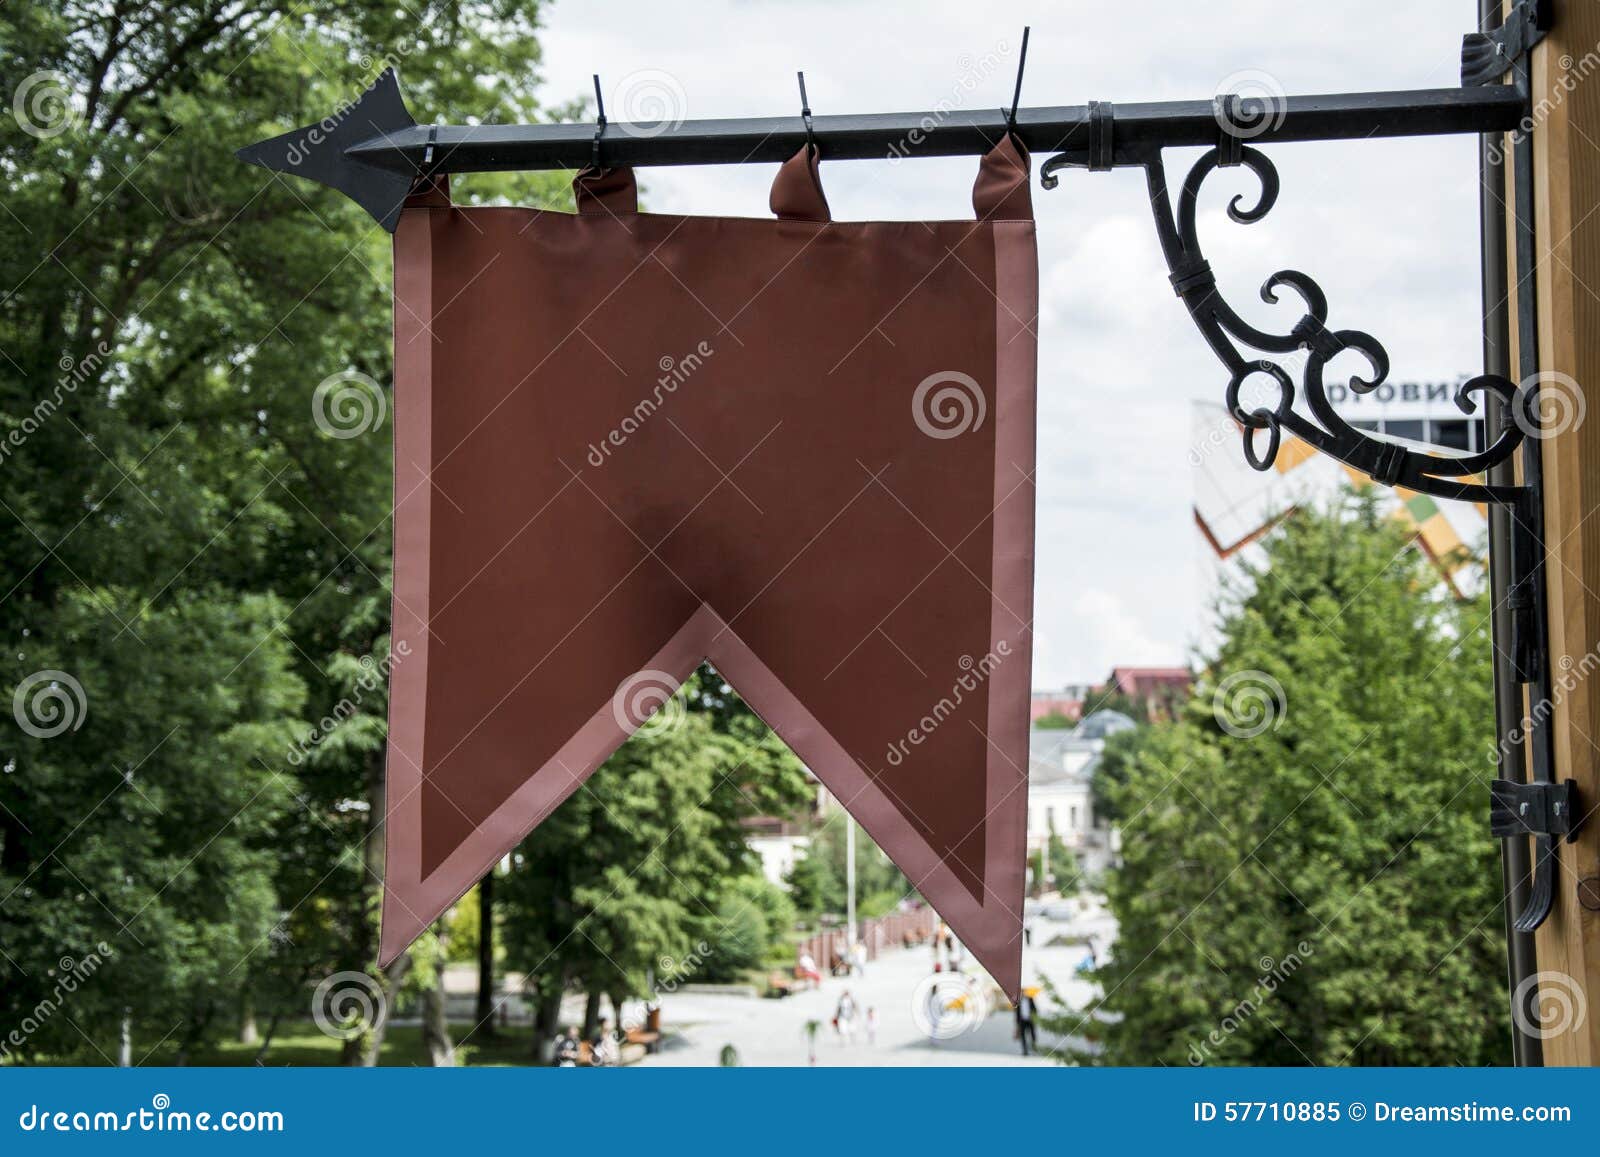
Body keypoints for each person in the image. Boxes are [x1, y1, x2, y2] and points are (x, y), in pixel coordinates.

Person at [1014, 989, 1039, 1057]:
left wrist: (1034, 1018)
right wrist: (1017, 1023)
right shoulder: (1018, 1001)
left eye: (1022, 992)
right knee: (1023, 1036)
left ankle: (1034, 1049)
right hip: (1022, 1021)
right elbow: (1016, 1013)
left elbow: (1034, 1009)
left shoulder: (1030, 999)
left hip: (1030, 1020)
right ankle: (1025, 1051)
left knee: (1032, 1035)